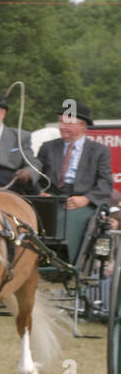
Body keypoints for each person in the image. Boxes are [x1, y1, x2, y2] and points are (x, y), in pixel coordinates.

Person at [35, 102, 114, 264]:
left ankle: (64, 262)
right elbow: (36, 176)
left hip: (82, 201)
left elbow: (106, 182)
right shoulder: (47, 148)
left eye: (67, 122)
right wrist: (40, 192)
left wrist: (86, 199)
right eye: (60, 122)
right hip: (52, 198)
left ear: (82, 124)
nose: (62, 126)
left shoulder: (99, 151)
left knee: (67, 219)